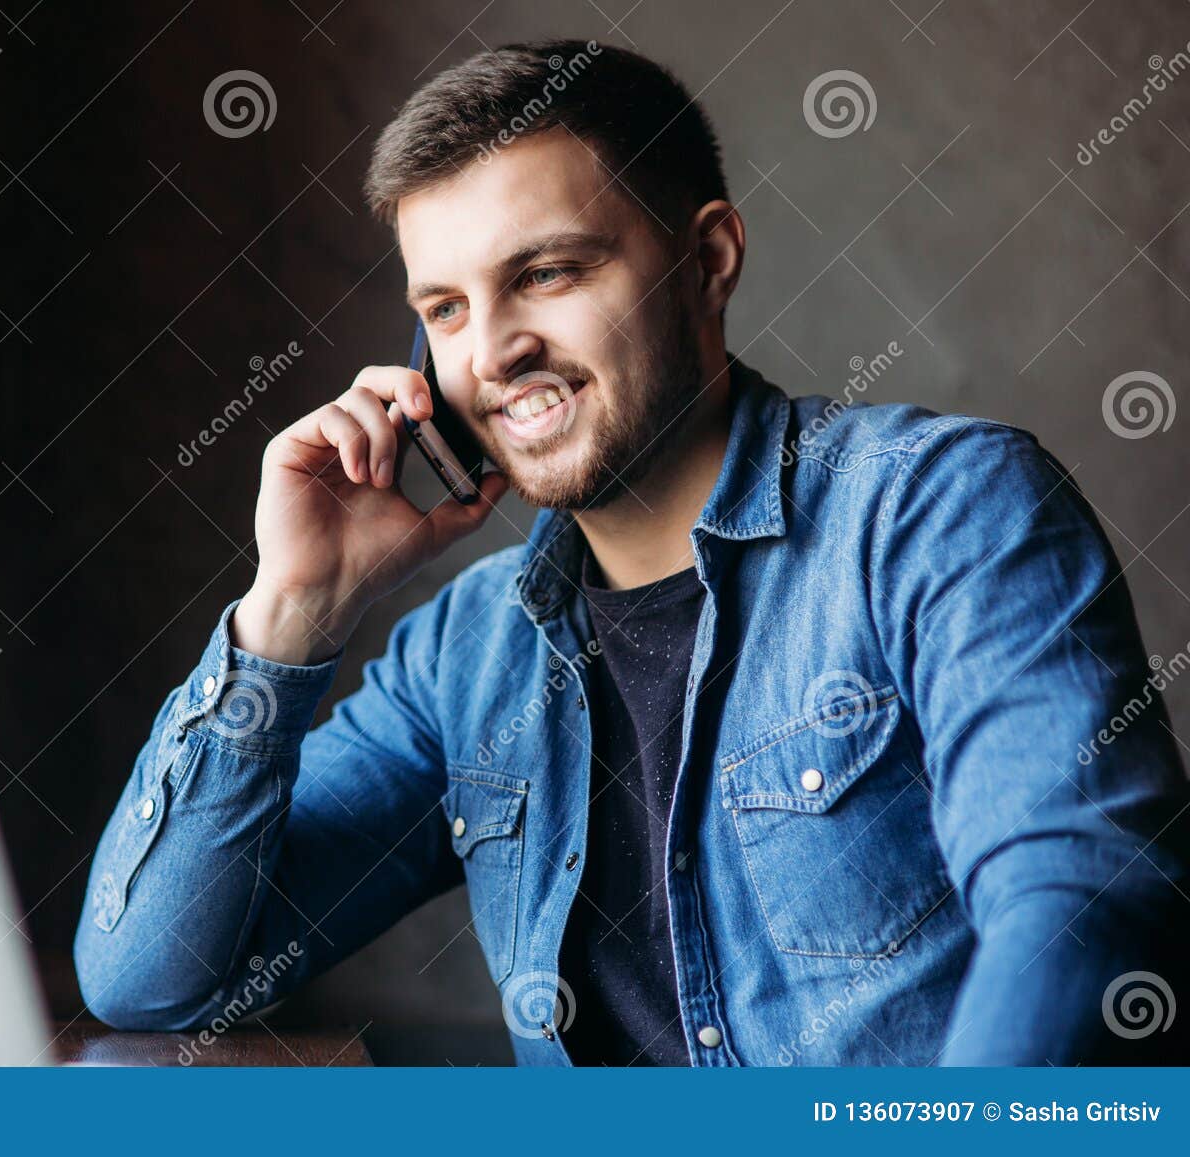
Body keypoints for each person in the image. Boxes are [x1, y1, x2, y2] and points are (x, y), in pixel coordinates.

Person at [74, 40, 1190, 1065]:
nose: (496, 351)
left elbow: (1082, 902)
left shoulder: (935, 512)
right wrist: (290, 614)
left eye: (546, 274)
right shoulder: (466, 656)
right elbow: (154, 977)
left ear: (706, 259)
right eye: (446, 309)